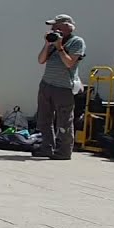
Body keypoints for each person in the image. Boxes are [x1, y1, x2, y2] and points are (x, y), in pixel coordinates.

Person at [34, 14, 86, 160]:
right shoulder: (52, 41)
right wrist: (47, 44)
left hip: (64, 87)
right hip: (46, 84)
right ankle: (46, 147)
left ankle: (63, 151)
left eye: (56, 26)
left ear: (67, 27)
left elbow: (69, 63)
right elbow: (41, 60)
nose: (53, 29)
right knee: (44, 119)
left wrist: (60, 47)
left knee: (64, 120)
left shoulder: (77, 42)